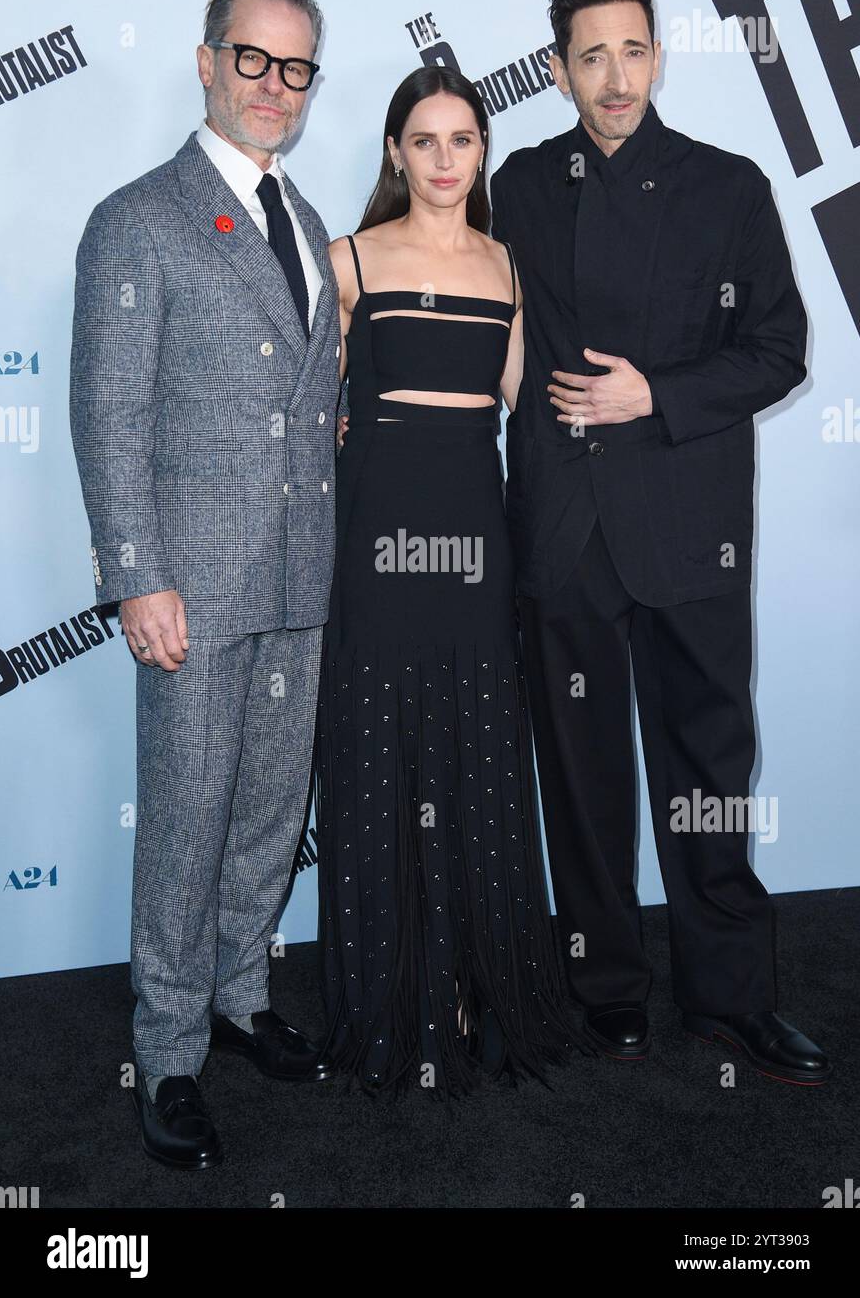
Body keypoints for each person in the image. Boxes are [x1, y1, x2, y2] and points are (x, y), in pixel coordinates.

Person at [490, 0, 831, 1084]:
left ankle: (729, 997)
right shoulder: (523, 183)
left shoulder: (725, 185)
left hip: (687, 526)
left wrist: (659, 394)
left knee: (704, 768)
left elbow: (779, 349)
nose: (613, 75)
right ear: (556, 71)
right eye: (588, 56)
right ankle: (603, 988)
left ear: (658, 54)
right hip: (563, 527)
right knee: (580, 779)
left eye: (630, 50)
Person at [69, 0, 341, 1169]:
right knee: (183, 820)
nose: (273, 87)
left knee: (268, 817)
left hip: (298, 579)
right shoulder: (137, 219)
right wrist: (137, 573)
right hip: (193, 585)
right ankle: (168, 1051)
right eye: (252, 60)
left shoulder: (305, 216)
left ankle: (240, 995)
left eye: (295, 69)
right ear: (204, 61)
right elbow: (107, 411)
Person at [313, 66, 593, 1099]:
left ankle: (480, 986)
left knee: (475, 752)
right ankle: (389, 999)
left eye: (460, 141)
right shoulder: (346, 260)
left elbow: (529, 411)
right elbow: (302, 411)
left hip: (476, 547)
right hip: (376, 546)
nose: (441, 160)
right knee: (380, 754)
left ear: (480, 153)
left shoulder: (507, 269)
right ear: (393, 151)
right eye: (422, 140)